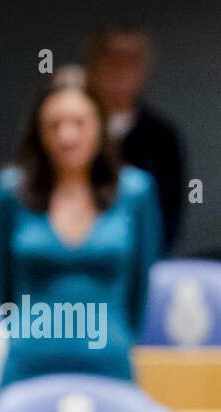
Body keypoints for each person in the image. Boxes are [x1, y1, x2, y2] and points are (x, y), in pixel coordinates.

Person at [0, 68, 161, 387]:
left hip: (110, 361)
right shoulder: (10, 192)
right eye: (54, 125)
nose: (67, 137)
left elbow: (140, 292)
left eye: (79, 123)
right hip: (27, 362)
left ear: (101, 126)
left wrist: (115, 336)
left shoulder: (136, 192)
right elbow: (4, 290)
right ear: (38, 131)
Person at [86, 22, 185, 254]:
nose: (120, 70)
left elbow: (169, 214)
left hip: (142, 257)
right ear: (93, 65)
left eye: (130, 61)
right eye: (111, 60)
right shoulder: (74, 130)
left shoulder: (162, 136)